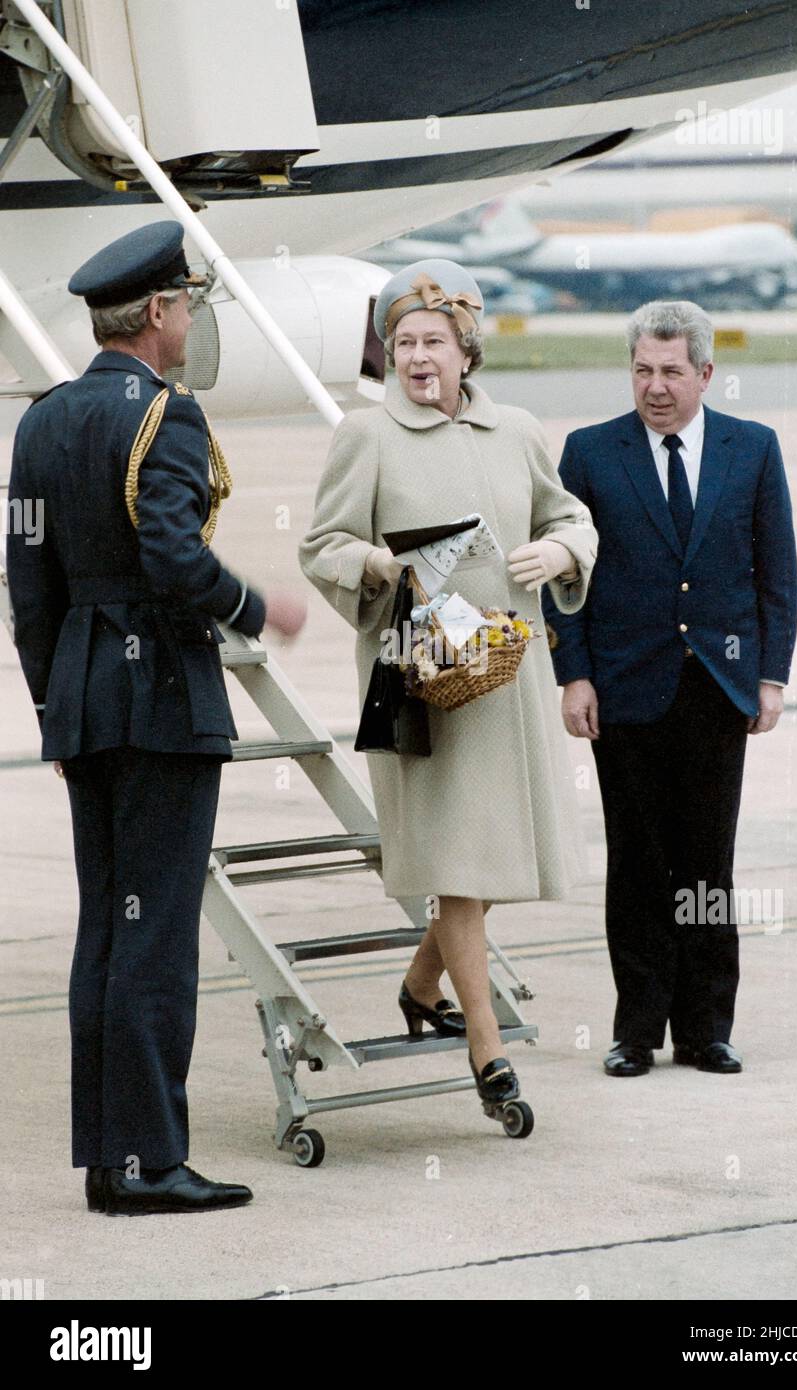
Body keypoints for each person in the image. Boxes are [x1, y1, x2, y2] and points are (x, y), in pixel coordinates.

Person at [5, 221, 306, 1214]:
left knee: (107, 927)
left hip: (87, 700)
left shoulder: (41, 422)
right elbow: (176, 558)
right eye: (185, 305)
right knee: (156, 934)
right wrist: (258, 607)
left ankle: (109, 1158)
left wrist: (55, 701)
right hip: (162, 699)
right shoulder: (164, 417)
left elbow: (28, 583)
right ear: (161, 313)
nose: (188, 319)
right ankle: (148, 1161)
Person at [299, 259, 597, 1104]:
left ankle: (420, 986)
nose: (417, 358)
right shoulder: (367, 435)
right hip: (423, 683)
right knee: (458, 867)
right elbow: (321, 544)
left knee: (496, 861)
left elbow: (567, 514)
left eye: (433, 341)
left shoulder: (518, 431)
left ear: (466, 350)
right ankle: (486, 1048)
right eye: (402, 343)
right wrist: (381, 565)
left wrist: (565, 551)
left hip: (508, 677)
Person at [543, 300, 797, 1078]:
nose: (655, 387)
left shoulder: (751, 449)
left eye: (671, 372)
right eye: (642, 370)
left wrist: (770, 675)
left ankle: (705, 1027)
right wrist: (573, 674)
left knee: (706, 867)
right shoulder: (588, 453)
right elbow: (565, 581)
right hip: (624, 689)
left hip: (717, 687)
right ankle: (635, 1031)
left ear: (705, 374)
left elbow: (775, 574)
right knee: (637, 862)